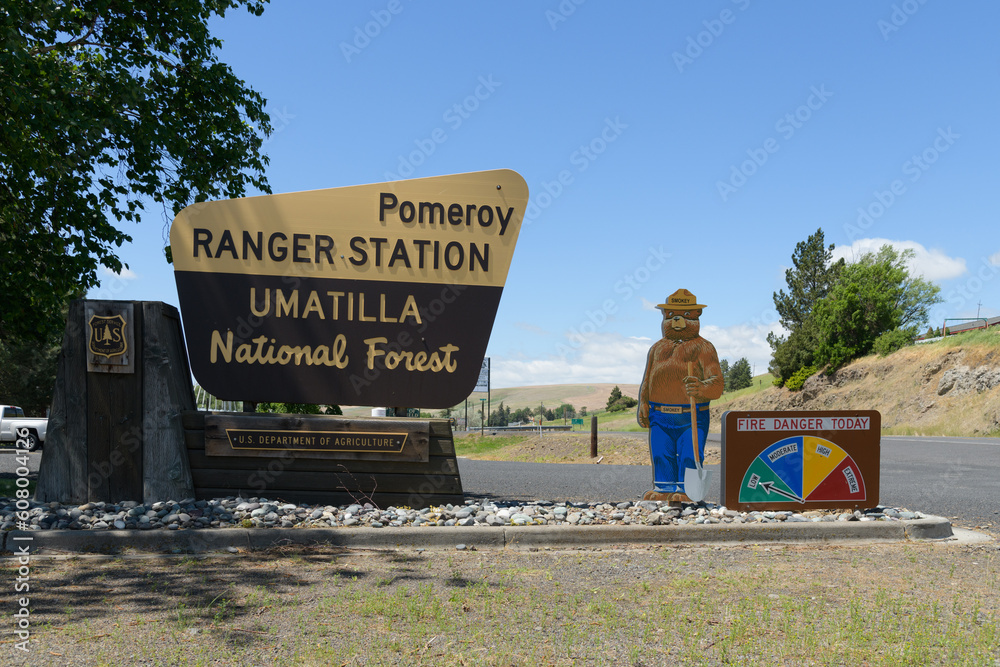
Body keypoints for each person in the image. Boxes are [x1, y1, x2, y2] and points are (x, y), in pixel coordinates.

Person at [637, 289, 724, 503]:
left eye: (686, 315)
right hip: (660, 414)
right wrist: (643, 402)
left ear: (696, 317)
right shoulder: (656, 349)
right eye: (671, 315)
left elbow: (717, 384)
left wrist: (701, 388)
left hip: (691, 415)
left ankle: (687, 492)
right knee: (661, 453)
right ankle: (664, 489)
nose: (677, 320)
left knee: (689, 455)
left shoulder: (704, 347)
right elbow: (648, 378)